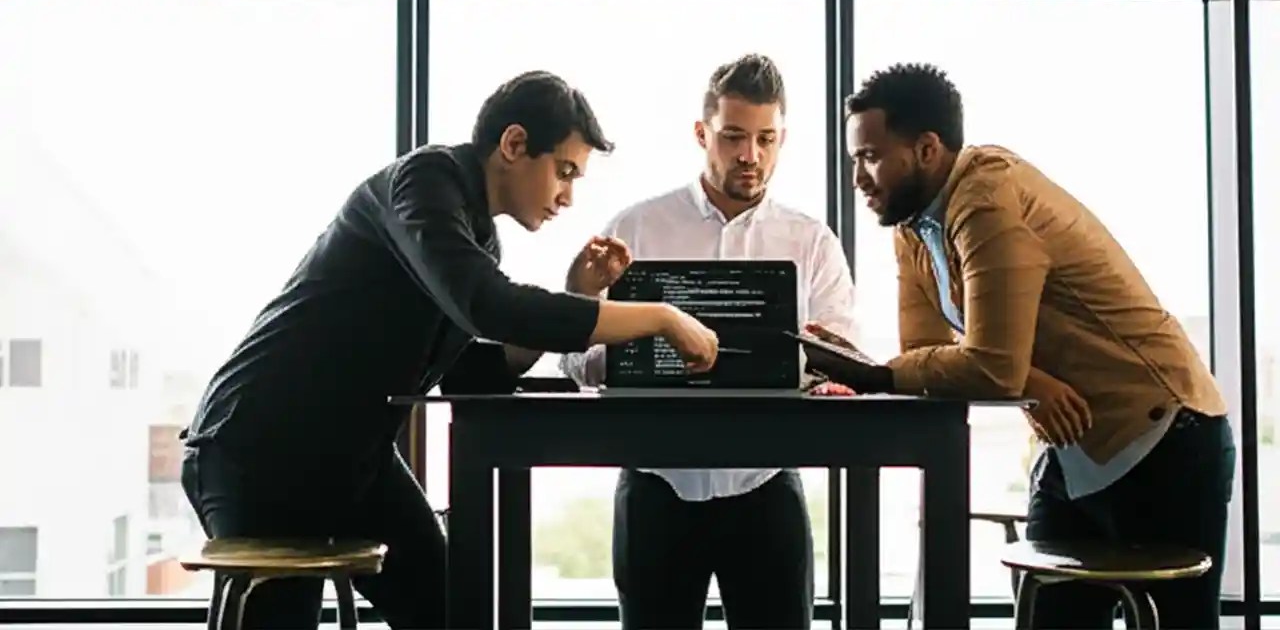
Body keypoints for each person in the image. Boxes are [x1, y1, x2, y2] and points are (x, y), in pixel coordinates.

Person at [179, 70, 721, 630]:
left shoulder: (478, 234)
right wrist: (657, 318)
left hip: (350, 459)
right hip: (262, 446)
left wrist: (577, 297)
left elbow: (470, 375)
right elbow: (488, 306)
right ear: (513, 145)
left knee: (454, 612)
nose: (567, 196)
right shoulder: (424, 180)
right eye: (564, 172)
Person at [806, 62, 1235, 629]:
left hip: (1163, 436)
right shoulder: (914, 227)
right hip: (1073, 449)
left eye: (870, 156)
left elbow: (977, 367)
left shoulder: (986, 199)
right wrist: (1028, 380)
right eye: (854, 158)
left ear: (928, 148)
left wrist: (888, 375)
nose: (858, 175)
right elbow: (929, 352)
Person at [556, 54, 857, 629]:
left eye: (767, 139)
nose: (751, 155)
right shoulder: (634, 229)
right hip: (655, 487)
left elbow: (840, 357)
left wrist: (818, 376)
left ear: (782, 138)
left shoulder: (812, 241)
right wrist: (585, 306)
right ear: (703, 134)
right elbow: (580, 364)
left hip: (766, 486)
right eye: (734, 136)